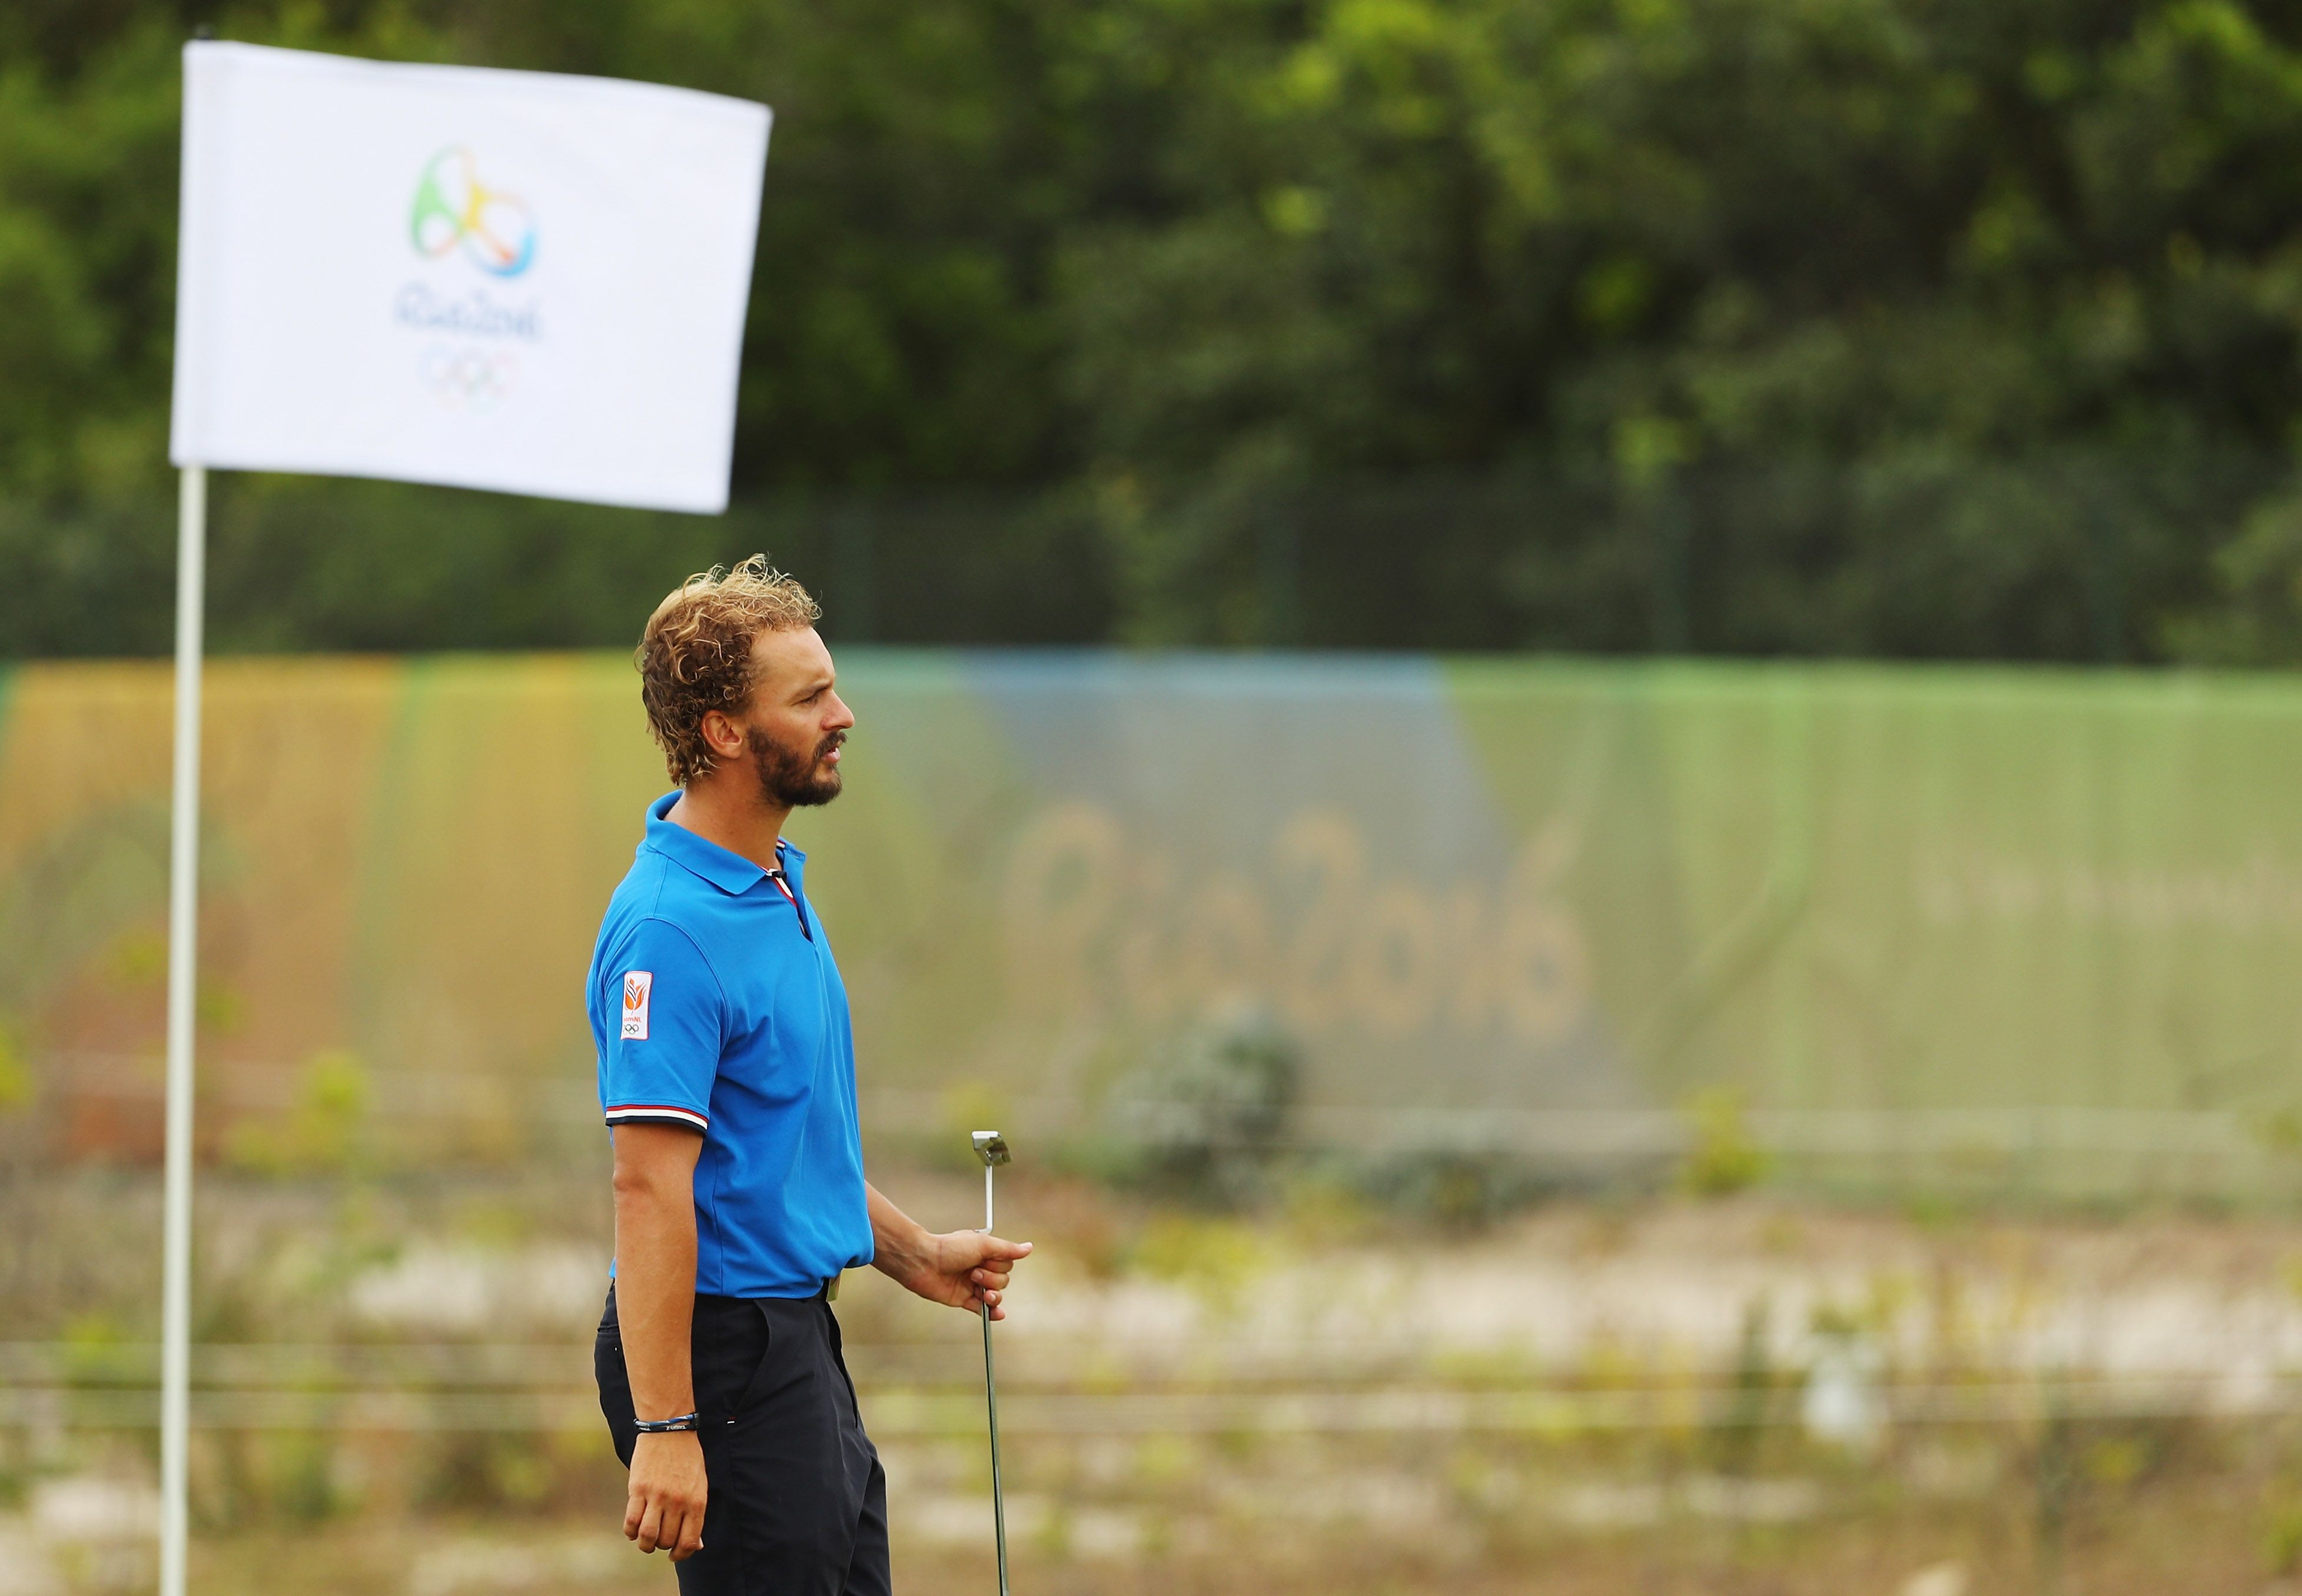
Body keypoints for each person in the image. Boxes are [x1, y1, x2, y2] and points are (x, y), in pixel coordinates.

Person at [587, 557, 1031, 1594]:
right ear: (724, 733)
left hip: (795, 1337)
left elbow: (779, 1147)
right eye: (810, 696)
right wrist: (667, 1425)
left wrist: (915, 1253)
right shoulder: (670, 931)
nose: (844, 714)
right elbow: (648, 1189)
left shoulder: (774, 881)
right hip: (722, 1352)